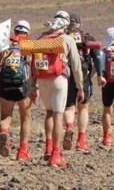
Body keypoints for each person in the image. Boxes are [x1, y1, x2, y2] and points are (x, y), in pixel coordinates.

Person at [31, 10, 83, 167]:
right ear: (66, 24)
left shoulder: (41, 38)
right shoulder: (66, 39)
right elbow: (76, 64)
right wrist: (80, 86)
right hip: (59, 79)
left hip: (42, 79)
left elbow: (32, 61)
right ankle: (56, 155)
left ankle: (48, 148)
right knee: (58, 116)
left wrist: (33, 85)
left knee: (48, 113)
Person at [0, 20, 32, 161]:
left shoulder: (5, 48)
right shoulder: (29, 48)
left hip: (5, 87)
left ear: (14, 32)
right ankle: (22, 151)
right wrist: (34, 88)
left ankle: (4, 131)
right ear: (27, 33)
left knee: (6, 117)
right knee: (25, 117)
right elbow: (33, 71)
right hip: (23, 89)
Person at [62, 14, 101, 154]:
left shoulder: (62, 37)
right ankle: (81, 141)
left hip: (66, 75)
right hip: (83, 74)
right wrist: (99, 76)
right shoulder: (87, 37)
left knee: (69, 107)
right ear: (80, 24)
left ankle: (69, 127)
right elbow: (97, 58)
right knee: (83, 108)